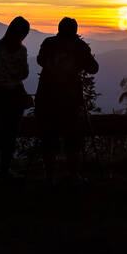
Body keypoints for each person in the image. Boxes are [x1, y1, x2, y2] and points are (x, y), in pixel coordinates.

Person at [35, 17, 98, 185]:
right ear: (75, 31)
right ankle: (74, 175)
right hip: (70, 100)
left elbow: (40, 60)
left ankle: (49, 176)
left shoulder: (48, 43)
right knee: (72, 138)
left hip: (46, 97)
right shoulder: (79, 46)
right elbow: (94, 68)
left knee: (49, 137)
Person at [0, 16, 31, 180]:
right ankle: (5, 169)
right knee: (11, 133)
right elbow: (24, 74)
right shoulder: (21, 50)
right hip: (15, 93)